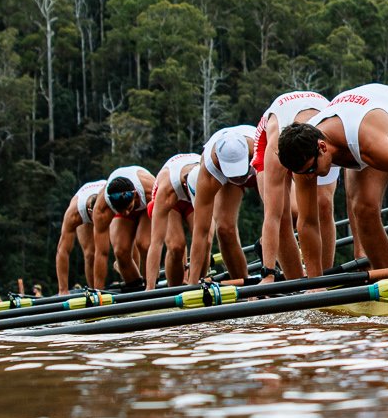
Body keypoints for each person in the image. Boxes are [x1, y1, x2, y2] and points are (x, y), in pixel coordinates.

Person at [276, 82, 388, 273]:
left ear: (322, 148)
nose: (311, 177)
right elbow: (308, 223)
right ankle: (387, 279)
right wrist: (314, 285)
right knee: (363, 209)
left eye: (312, 170)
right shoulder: (303, 159)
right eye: (303, 173)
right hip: (360, 120)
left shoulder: (367, 142)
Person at [253, 90, 342, 277]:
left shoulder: (331, 137)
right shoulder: (275, 147)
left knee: (323, 205)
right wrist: (268, 272)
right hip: (273, 131)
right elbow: (272, 215)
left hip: (314, 128)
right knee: (283, 212)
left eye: (310, 170)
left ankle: (323, 280)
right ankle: (296, 285)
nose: (309, 176)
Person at [186, 123, 259, 282]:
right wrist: (192, 285)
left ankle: (299, 279)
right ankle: (244, 286)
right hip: (226, 175)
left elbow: (277, 212)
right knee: (225, 230)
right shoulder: (209, 168)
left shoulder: (260, 149)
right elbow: (201, 233)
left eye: (239, 173)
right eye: (233, 174)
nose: (238, 178)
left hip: (259, 166)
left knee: (290, 214)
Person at [141, 151, 202, 289]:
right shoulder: (166, 188)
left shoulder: (208, 176)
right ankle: (173, 289)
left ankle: (195, 282)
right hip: (171, 195)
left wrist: (194, 283)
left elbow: (205, 238)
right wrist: (149, 289)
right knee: (176, 246)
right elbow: (156, 243)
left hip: (197, 188)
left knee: (205, 239)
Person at [52, 176, 113, 291]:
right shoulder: (74, 213)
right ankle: (94, 290)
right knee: (90, 254)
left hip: (106, 202)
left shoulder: (109, 203)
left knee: (121, 245)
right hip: (86, 200)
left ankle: (130, 276)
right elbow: (63, 251)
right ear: (90, 212)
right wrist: (63, 290)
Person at [98, 164, 153, 285]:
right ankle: (134, 286)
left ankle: (150, 284)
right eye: (121, 210)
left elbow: (172, 223)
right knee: (120, 251)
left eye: (128, 208)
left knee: (144, 244)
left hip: (147, 205)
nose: (126, 213)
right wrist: (97, 291)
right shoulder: (102, 208)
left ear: (134, 195)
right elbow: (101, 253)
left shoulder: (150, 189)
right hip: (125, 202)